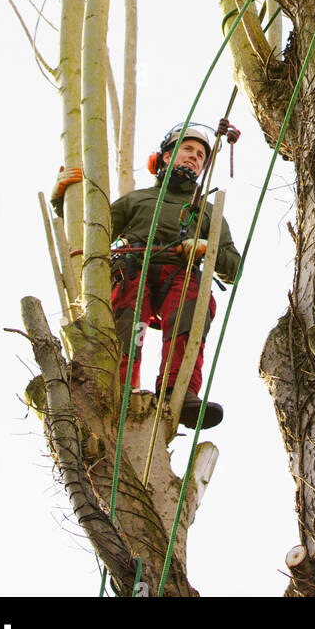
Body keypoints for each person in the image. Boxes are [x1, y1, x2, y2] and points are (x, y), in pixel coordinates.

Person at [51, 122, 241, 430]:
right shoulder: (135, 200)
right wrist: (63, 200)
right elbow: (91, 234)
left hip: (179, 272)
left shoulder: (206, 211)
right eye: (187, 149)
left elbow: (235, 267)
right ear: (166, 156)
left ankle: (179, 392)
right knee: (128, 320)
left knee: (191, 308)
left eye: (200, 155)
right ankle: (120, 388)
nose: (194, 157)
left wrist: (207, 247)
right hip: (132, 268)